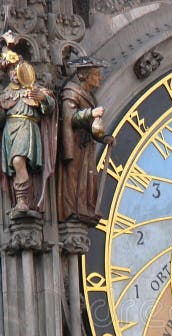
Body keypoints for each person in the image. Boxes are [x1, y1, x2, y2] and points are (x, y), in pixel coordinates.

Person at [0, 49, 57, 212]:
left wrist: (43, 99)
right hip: (10, 132)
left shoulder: (34, 90)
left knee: (19, 161)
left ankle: (22, 200)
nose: (13, 73)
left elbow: (48, 110)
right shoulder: (5, 95)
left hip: (27, 129)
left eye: (16, 68)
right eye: (10, 70)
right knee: (16, 164)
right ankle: (21, 198)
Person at [56, 56, 115, 223]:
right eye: (96, 74)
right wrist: (91, 113)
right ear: (83, 76)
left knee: (88, 177)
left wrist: (104, 138)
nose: (100, 78)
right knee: (74, 178)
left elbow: (91, 127)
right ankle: (73, 209)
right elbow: (70, 118)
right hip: (74, 144)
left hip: (85, 144)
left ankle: (85, 208)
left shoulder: (89, 97)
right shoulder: (71, 92)